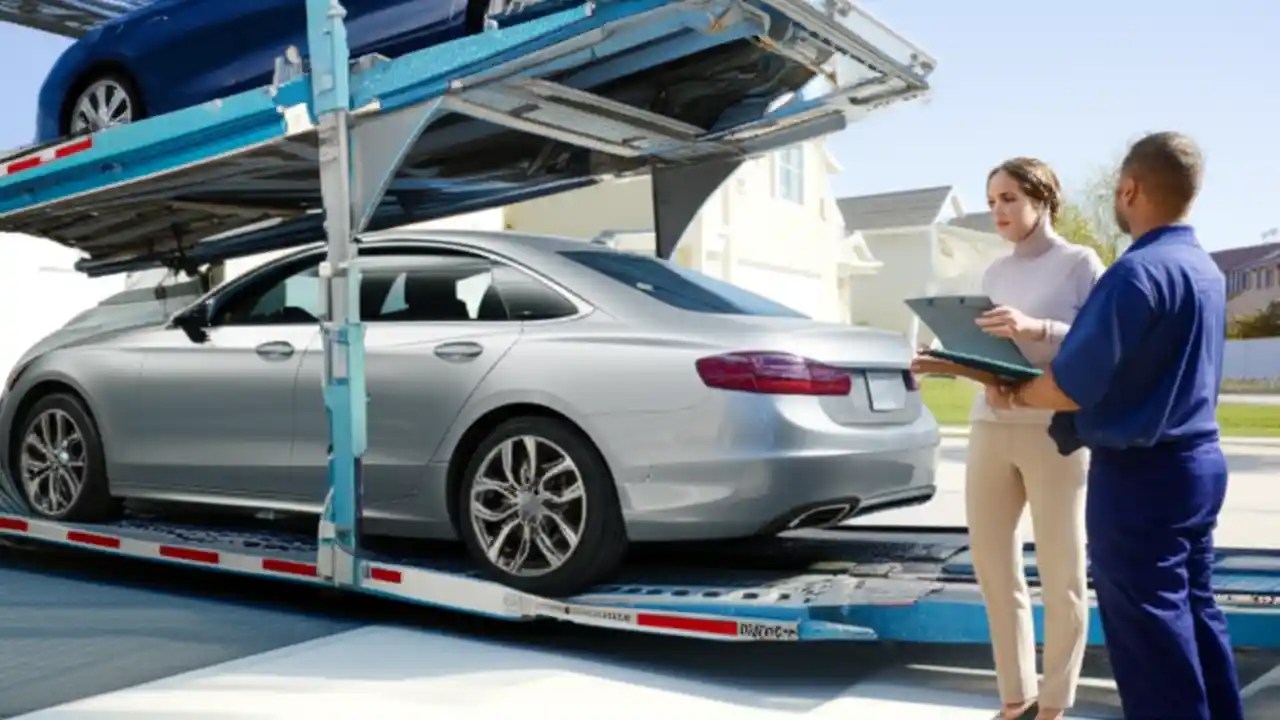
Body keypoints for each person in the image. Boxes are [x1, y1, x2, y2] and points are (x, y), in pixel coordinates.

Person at [989, 131, 1246, 720]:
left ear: (1130, 189)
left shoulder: (1135, 274)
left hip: (1141, 477)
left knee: (1151, 640)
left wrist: (1014, 392)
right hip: (1199, 465)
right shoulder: (1205, 270)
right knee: (1195, 611)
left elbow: (1070, 384)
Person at [913, 157, 1105, 720]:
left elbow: (1101, 342)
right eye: (992, 201)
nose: (997, 211)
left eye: (1009, 199)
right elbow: (994, 355)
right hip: (991, 426)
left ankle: (1054, 706)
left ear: (1042, 200)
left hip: (1054, 430)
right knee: (993, 565)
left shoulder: (1080, 263)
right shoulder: (995, 273)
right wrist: (945, 362)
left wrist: (1036, 327)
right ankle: (1015, 699)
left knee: (1062, 572)